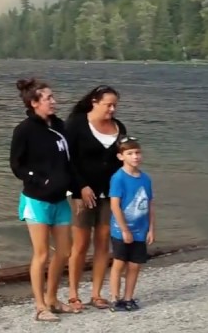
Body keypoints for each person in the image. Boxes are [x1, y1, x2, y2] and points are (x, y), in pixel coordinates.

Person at [9, 77, 74, 323]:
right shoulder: (24, 130)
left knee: (64, 252)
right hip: (36, 200)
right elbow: (16, 165)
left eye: (52, 97)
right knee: (42, 254)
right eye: (48, 98)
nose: (54, 101)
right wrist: (39, 180)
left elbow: (69, 162)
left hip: (60, 200)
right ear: (34, 103)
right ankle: (39, 306)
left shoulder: (60, 126)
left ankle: (52, 299)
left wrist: (78, 188)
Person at [63, 85, 127, 312]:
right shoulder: (76, 124)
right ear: (94, 102)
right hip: (82, 192)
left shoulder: (119, 127)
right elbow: (68, 160)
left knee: (103, 241)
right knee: (80, 244)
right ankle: (73, 294)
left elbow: (122, 161)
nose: (112, 109)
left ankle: (96, 294)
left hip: (110, 193)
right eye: (108, 105)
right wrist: (80, 187)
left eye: (115, 105)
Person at [107, 137, 153, 312]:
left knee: (135, 265)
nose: (135, 156)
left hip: (140, 229)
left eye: (137, 152)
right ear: (121, 156)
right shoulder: (118, 178)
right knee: (119, 263)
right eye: (130, 153)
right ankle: (114, 298)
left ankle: (128, 297)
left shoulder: (145, 178)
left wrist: (151, 228)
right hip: (121, 230)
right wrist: (124, 229)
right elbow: (114, 205)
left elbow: (150, 204)